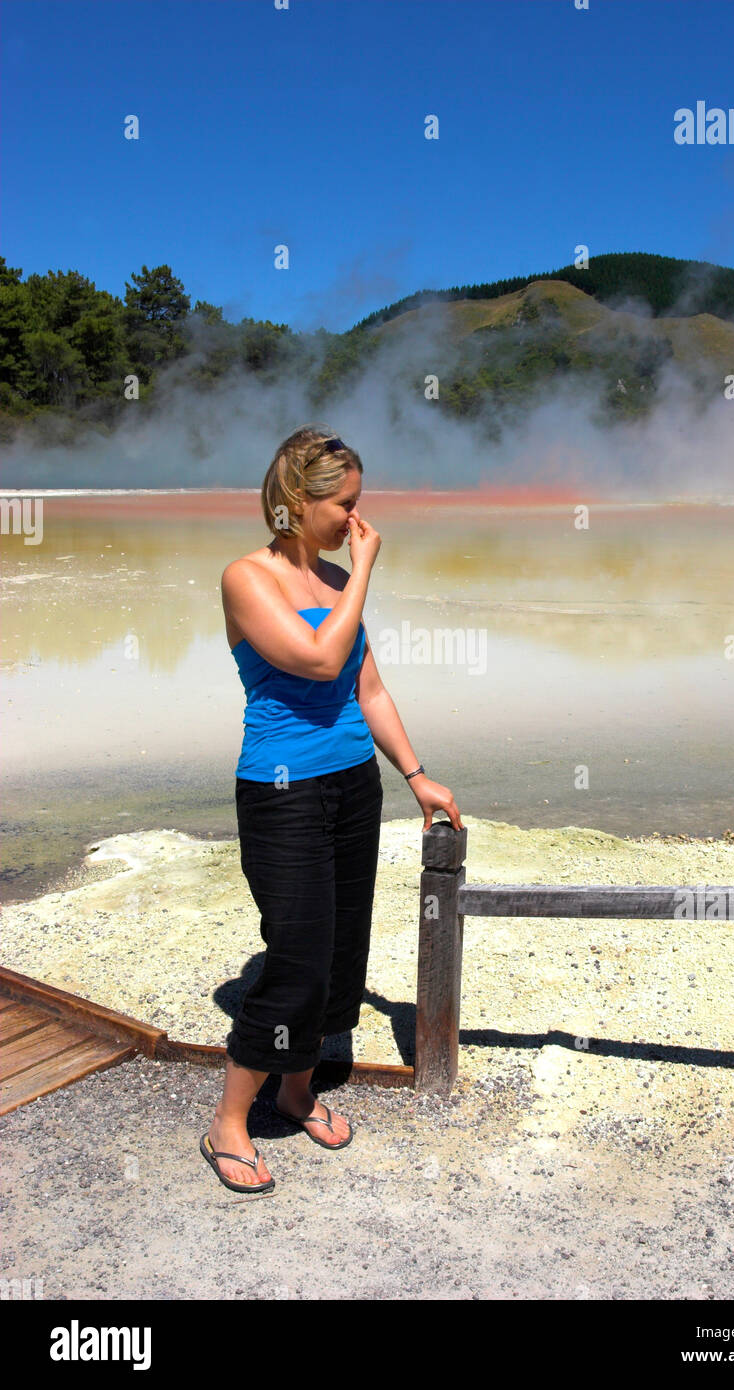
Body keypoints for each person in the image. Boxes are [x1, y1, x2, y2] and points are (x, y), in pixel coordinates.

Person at [200, 424, 464, 1193]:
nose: (357, 520)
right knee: (297, 959)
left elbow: (367, 689)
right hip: (283, 793)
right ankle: (228, 1125)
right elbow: (318, 659)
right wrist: (367, 571)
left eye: (359, 506)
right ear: (295, 500)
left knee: (344, 952)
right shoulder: (247, 578)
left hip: (354, 785)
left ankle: (296, 1087)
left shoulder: (335, 585)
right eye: (344, 505)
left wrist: (417, 776)